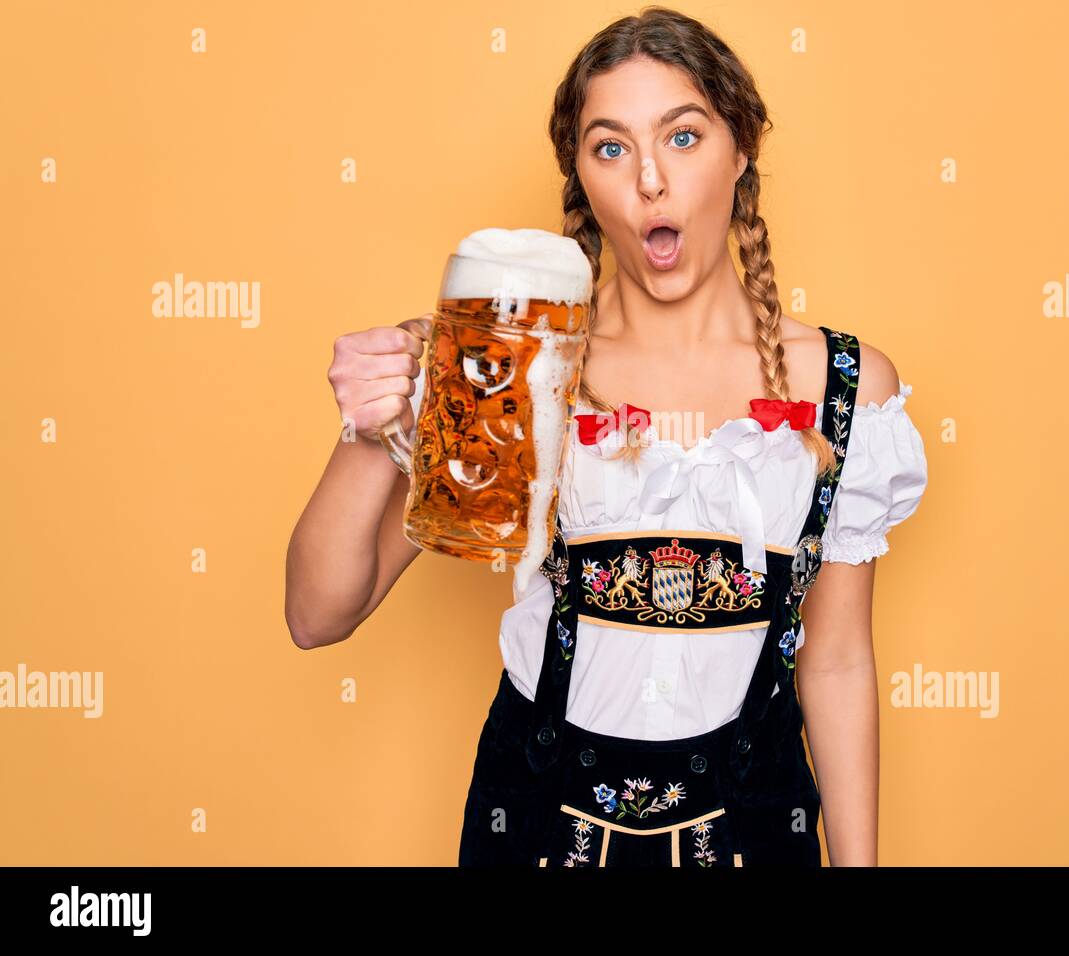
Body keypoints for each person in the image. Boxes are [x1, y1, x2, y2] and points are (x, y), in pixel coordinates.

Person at [285, 6, 927, 867]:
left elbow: (838, 661)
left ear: (742, 151)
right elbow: (318, 614)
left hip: (753, 834)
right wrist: (371, 432)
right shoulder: (518, 367)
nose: (650, 181)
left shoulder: (843, 387)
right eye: (611, 147)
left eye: (685, 137)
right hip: (536, 828)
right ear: (582, 178)